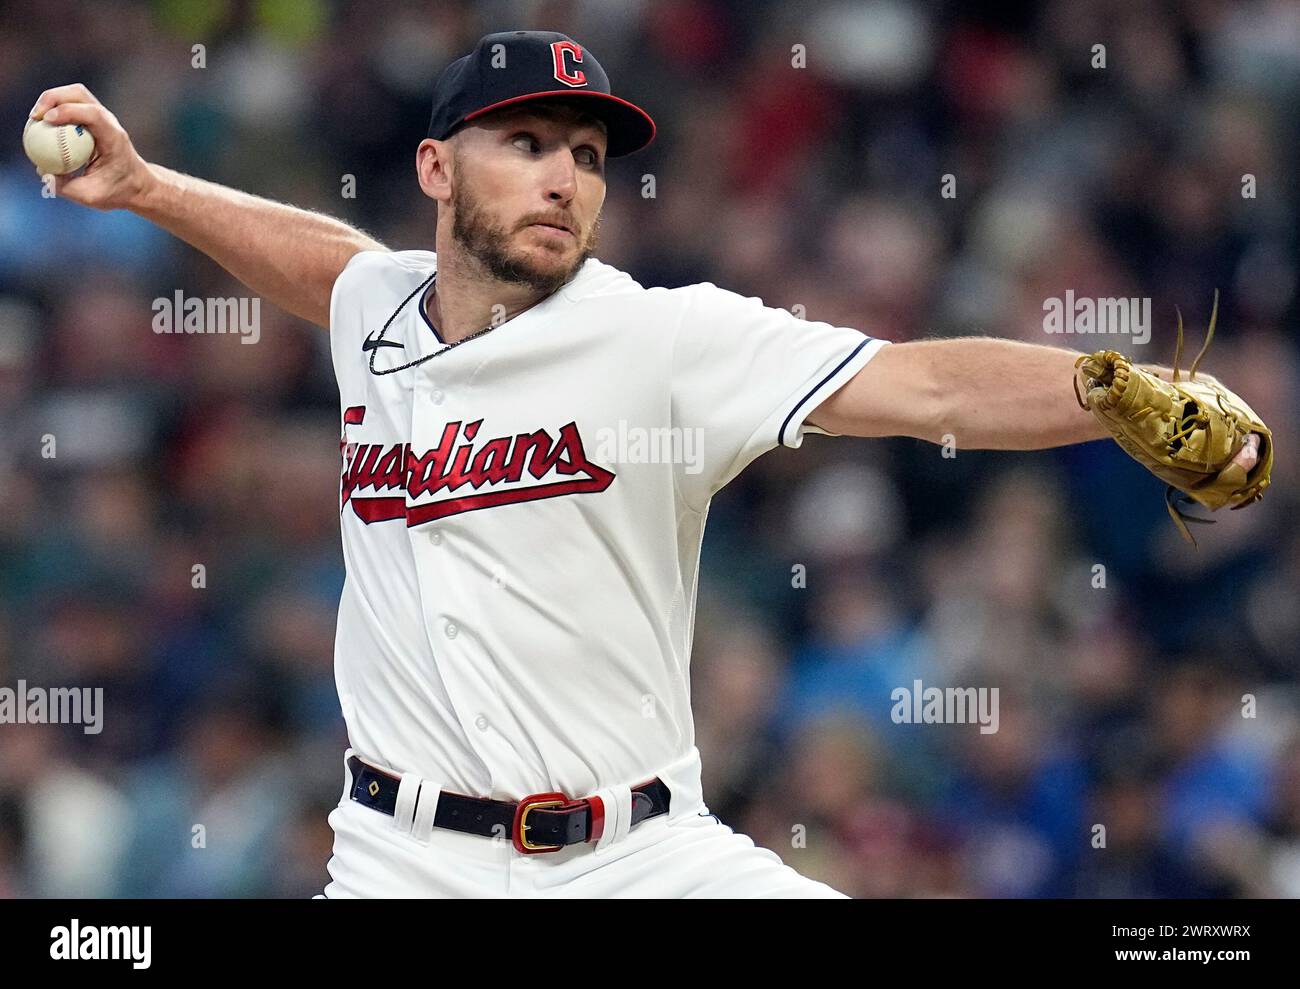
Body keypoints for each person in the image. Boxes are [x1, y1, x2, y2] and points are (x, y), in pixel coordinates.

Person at [29, 30, 1261, 898]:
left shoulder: (665, 337)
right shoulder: (381, 312)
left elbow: (921, 381)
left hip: (643, 858)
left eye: (586, 153)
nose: (566, 174)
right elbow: (321, 263)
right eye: (527, 141)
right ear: (436, 169)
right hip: (402, 859)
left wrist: (1102, 391)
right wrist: (144, 188)